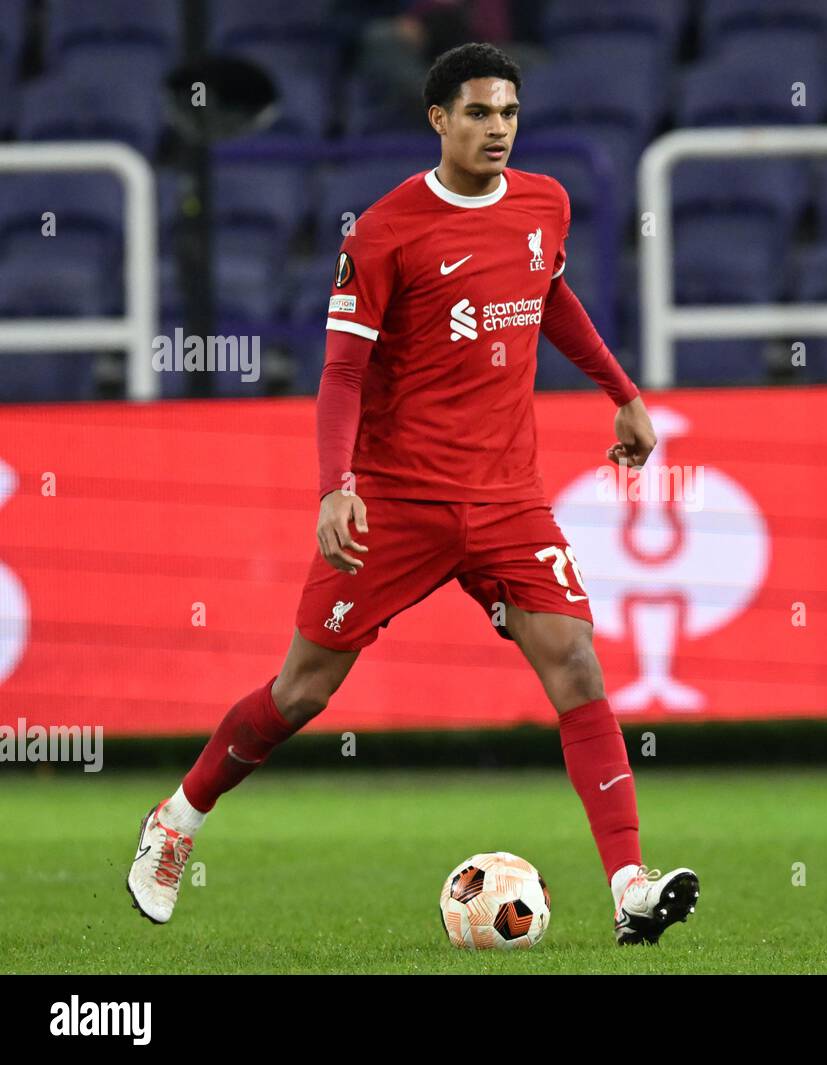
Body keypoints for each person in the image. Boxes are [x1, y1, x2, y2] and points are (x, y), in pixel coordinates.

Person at [127, 43, 699, 947]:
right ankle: (179, 819)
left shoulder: (545, 202)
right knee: (302, 691)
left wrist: (622, 391)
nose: (498, 129)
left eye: (508, 113)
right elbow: (341, 374)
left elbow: (551, 299)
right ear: (439, 120)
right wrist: (335, 488)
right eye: (478, 113)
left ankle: (630, 882)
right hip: (398, 500)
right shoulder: (386, 232)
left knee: (577, 662)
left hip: (509, 498)